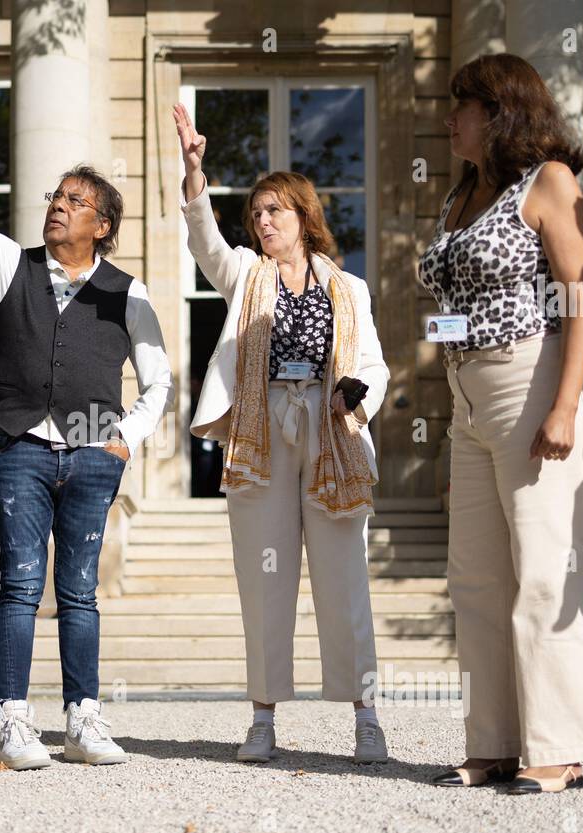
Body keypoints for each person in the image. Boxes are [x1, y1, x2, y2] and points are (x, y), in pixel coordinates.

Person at [0, 84, 172, 770]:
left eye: (75, 201)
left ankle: (82, 720)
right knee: (22, 584)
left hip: (93, 455)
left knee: (79, 592)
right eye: (56, 196)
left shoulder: (128, 292)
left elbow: (159, 381)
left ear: (102, 226)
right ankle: (12, 720)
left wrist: (125, 440)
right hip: (20, 445)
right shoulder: (7, 264)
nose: (58, 204)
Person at [173, 103, 391, 765]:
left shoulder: (349, 288)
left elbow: (373, 363)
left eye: (275, 211)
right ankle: (263, 718)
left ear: (304, 216)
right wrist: (193, 171)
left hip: (331, 431)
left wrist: (358, 394)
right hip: (261, 429)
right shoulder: (245, 273)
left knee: (344, 579)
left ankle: (366, 718)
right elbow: (205, 242)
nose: (263, 221)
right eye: (256, 214)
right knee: (263, 579)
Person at [418, 53, 583, 794]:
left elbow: (581, 299)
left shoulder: (548, 181)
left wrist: (564, 405)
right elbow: (451, 303)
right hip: (465, 396)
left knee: (543, 571)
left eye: (460, 106)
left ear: (499, 111)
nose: (449, 120)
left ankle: (557, 746)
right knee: (476, 579)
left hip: (530, 381)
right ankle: (492, 742)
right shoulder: (461, 194)